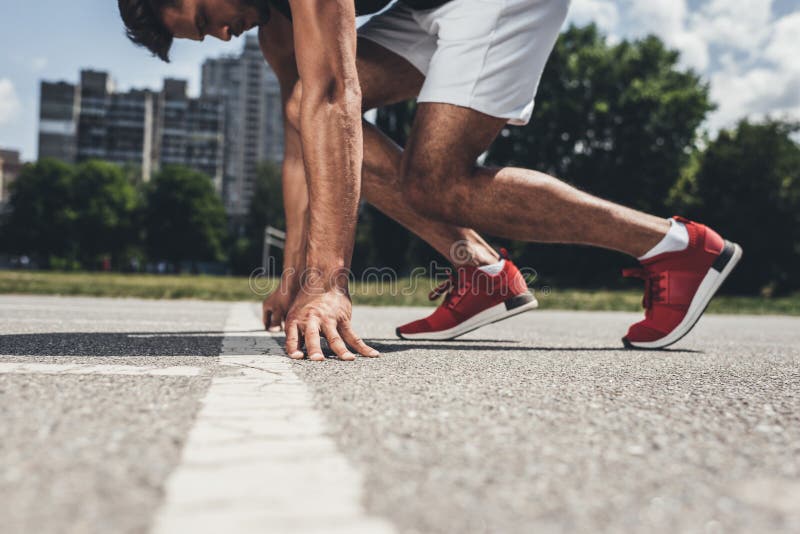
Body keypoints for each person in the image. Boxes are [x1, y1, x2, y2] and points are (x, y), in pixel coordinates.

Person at [118, 0, 742, 360]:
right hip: (432, 3)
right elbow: (304, 138)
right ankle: (484, 272)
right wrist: (291, 278)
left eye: (204, 18)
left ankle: (677, 249)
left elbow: (337, 96)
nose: (223, 36)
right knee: (300, 108)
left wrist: (327, 283)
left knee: (434, 181)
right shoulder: (278, 27)